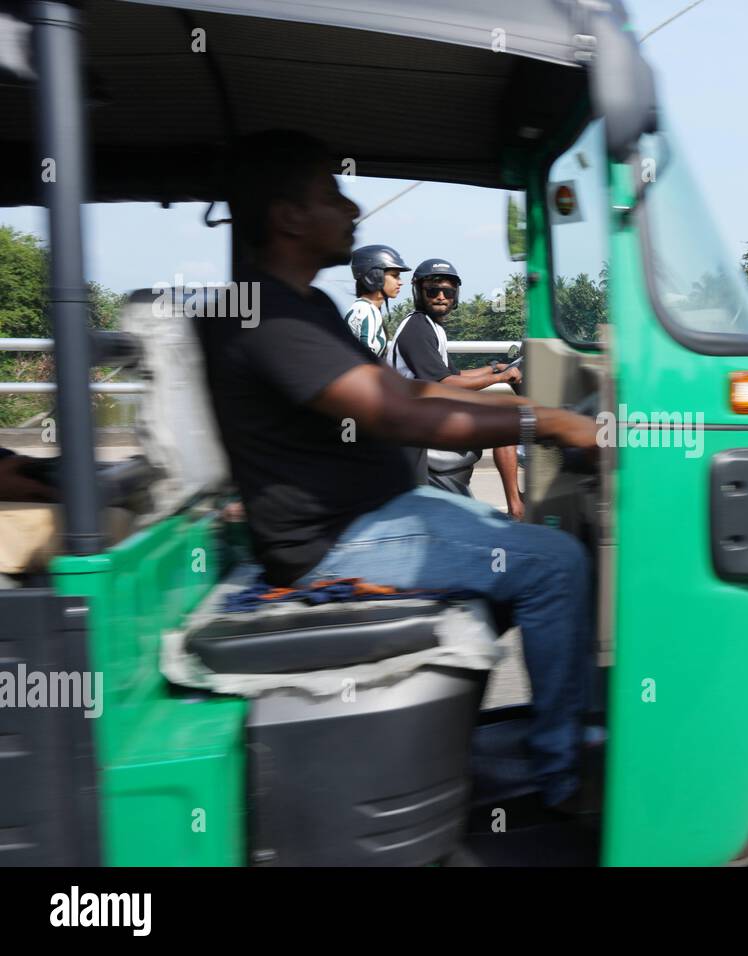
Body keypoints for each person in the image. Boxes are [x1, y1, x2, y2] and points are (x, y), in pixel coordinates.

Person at [202, 129, 599, 810]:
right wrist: (550, 424)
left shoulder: (307, 306)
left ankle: (449, 738)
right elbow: (396, 413)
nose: (352, 212)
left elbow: (415, 391)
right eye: (333, 194)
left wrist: (531, 406)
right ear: (288, 216)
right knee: (556, 564)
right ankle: (563, 779)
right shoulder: (266, 315)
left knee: (526, 552)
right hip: (336, 544)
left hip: (383, 515)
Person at [389, 258, 524, 517]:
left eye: (448, 292)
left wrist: (494, 368)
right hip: (416, 431)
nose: (441, 297)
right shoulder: (417, 328)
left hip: (425, 419)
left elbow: (454, 374)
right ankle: (516, 506)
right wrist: (499, 378)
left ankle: (513, 504)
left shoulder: (431, 327)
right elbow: (447, 384)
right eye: (433, 291)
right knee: (506, 420)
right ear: (418, 291)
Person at [344, 244, 410, 357]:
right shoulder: (366, 311)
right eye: (395, 276)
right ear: (375, 276)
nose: (400, 282)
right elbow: (366, 360)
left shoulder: (365, 308)